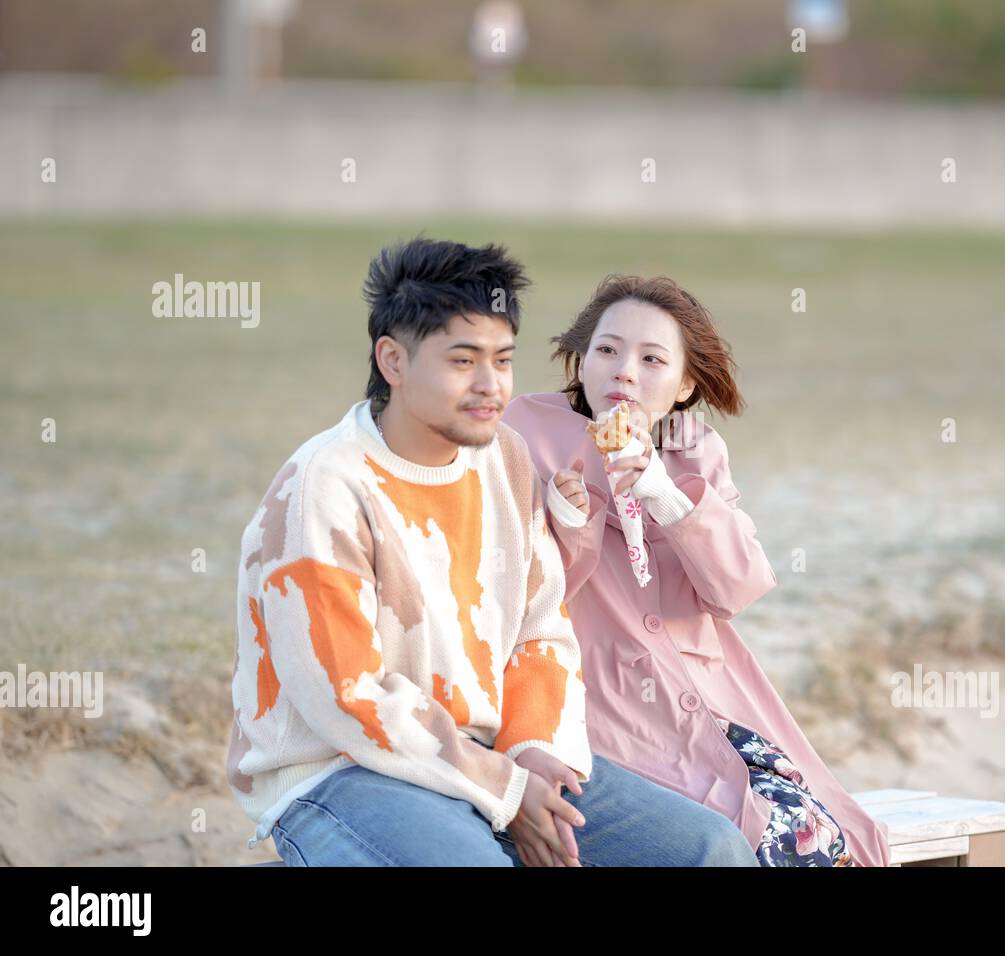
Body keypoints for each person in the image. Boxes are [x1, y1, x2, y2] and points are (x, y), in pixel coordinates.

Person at [225, 239, 758, 867]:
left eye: (503, 360)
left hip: (500, 758)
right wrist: (506, 792)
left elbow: (542, 629)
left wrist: (534, 751)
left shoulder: (504, 459)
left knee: (711, 851)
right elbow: (347, 695)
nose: (490, 385)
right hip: (347, 772)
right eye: (462, 361)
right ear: (393, 360)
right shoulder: (326, 485)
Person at [501, 274, 892, 866]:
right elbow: (515, 595)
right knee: (739, 842)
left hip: (704, 699)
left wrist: (665, 494)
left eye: (651, 358)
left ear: (685, 385)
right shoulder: (523, 432)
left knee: (818, 832)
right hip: (602, 703)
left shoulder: (695, 448)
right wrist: (565, 522)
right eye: (606, 350)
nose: (624, 371)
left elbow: (737, 587)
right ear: (581, 363)